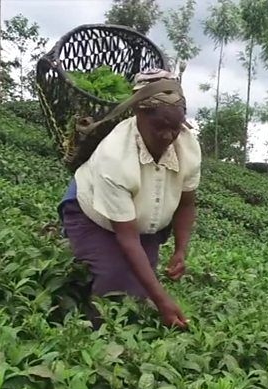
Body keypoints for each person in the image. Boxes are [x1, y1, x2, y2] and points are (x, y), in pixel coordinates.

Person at [57, 69, 200, 329]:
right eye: (160, 127)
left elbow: (187, 202)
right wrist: (163, 301)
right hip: (92, 216)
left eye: (175, 128)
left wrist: (180, 250)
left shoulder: (188, 146)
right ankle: (94, 333)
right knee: (114, 287)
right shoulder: (115, 156)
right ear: (139, 114)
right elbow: (127, 238)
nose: (168, 136)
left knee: (138, 293)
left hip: (142, 224)